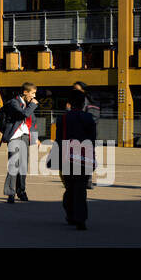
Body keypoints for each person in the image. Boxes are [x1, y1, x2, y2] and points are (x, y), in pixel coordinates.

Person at [56, 90, 97, 230]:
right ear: (83, 102)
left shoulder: (62, 118)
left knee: (70, 187)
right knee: (80, 187)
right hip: (84, 155)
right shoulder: (89, 118)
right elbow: (92, 140)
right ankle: (80, 218)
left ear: (69, 103)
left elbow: (59, 139)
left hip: (67, 154)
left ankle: (70, 213)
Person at [0, 82, 38, 204]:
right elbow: (23, 115)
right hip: (15, 137)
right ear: (25, 92)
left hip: (25, 136)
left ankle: (21, 191)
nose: (34, 96)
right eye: (32, 93)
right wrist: (32, 105)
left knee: (23, 165)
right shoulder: (14, 103)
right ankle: (10, 193)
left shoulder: (28, 104)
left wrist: (35, 138)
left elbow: (32, 121)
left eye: (35, 94)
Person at [71, 81, 100, 188]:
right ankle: (78, 179)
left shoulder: (90, 103)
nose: (75, 91)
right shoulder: (72, 103)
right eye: (73, 89)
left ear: (83, 91)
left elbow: (93, 120)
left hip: (86, 136)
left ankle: (88, 180)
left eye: (77, 89)